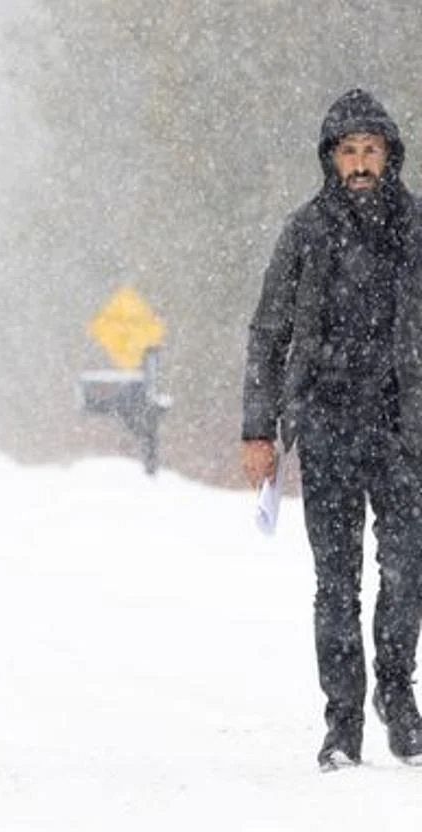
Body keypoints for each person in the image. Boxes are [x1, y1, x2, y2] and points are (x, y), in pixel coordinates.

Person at [242, 88, 422, 771]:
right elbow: (267, 334)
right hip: (328, 425)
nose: (361, 163)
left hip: (406, 428)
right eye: (348, 151)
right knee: (336, 579)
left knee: (407, 571)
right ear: (330, 159)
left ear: (391, 155)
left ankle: (399, 698)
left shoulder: (416, 228)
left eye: (371, 150)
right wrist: (257, 430)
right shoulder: (307, 231)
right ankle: (342, 721)